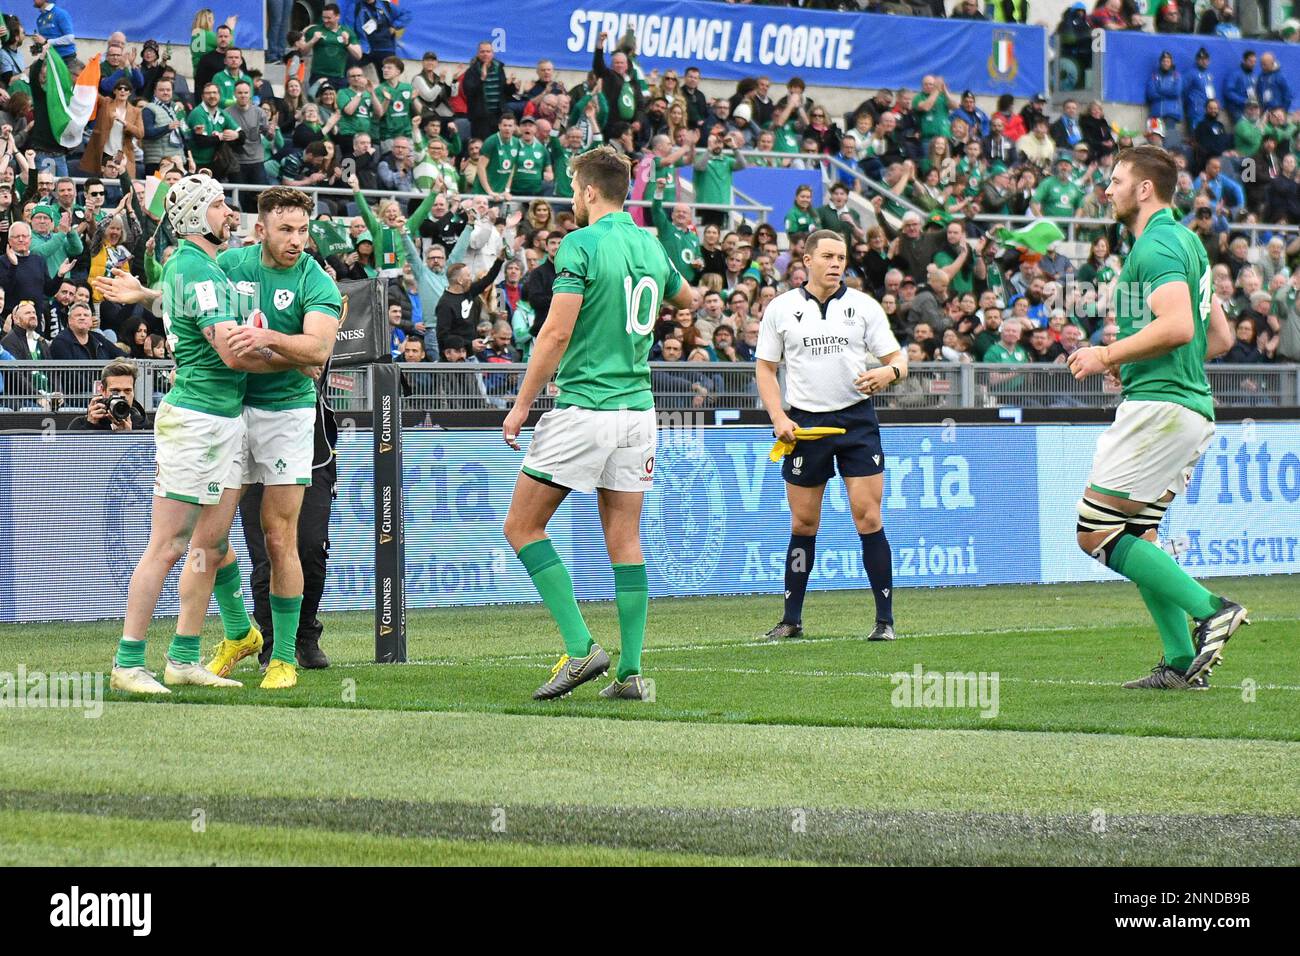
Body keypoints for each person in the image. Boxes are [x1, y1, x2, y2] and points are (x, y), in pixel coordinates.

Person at [500, 145, 694, 702]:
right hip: (639, 410)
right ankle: (630, 672)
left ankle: (581, 646)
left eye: (573, 189)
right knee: (625, 540)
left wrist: (520, 406)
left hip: (586, 405)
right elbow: (688, 296)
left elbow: (556, 335)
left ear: (587, 191)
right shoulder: (649, 244)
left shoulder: (579, 244)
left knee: (522, 527)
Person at [1066, 146, 1247, 691]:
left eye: (1116, 180)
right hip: (1186, 406)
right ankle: (1177, 662)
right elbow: (1221, 337)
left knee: (1093, 531)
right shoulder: (1188, 241)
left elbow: (1178, 328)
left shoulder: (1157, 243)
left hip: (1162, 410)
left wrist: (1107, 355)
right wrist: (1143, 360)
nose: (1108, 189)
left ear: (1145, 189)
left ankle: (1212, 609)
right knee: (1139, 533)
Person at [94, 175, 275, 695]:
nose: (228, 211)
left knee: (209, 544)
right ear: (196, 216)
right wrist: (296, 354)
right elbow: (230, 352)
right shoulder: (196, 267)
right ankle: (129, 662)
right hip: (197, 419)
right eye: (218, 204)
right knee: (168, 544)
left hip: (221, 417)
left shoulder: (195, 266)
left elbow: (189, 309)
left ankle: (183, 656)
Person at [756, 229, 908, 644]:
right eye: (827, 256)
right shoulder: (781, 309)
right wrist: (778, 417)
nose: (836, 263)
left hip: (857, 422)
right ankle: (791, 619)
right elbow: (766, 369)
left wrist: (888, 372)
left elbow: (899, 360)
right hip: (805, 425)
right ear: (806, 260)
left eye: (841, 256)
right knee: (803, 523)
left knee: (869, 517)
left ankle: (884, 621)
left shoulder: (863, 307)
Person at [67, 358, 148, 430]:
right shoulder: (79, 425)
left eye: (127, 391)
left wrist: (128, 436)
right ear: (103, 390)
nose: (122, 395)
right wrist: (90, 426)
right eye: (115, 391)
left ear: (133, 391)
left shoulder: (145, 426)